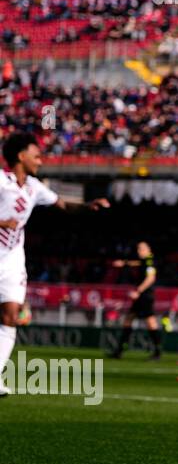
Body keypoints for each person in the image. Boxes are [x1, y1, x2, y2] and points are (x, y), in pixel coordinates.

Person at [0, 132, 110, 395]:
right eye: (36, 155)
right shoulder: (1, 182)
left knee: (11, 315)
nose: (40, 160)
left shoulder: (34, 187)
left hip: (13, 260)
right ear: (20, 156)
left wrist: (88, 206)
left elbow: (61, 204)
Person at [110, 241, 160, 360]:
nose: (139, 251)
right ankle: (120, 350)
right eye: (138, 249)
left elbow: (151, 278)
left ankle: (157, 352)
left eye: (142, 249)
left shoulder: (149, 261)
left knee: (150, 322)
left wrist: (138, 291)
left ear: (149, 250)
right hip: (142, 295)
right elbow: (138, 263)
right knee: (129, 319)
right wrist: (124, 263)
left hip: (145, 296)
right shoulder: (145, 261)